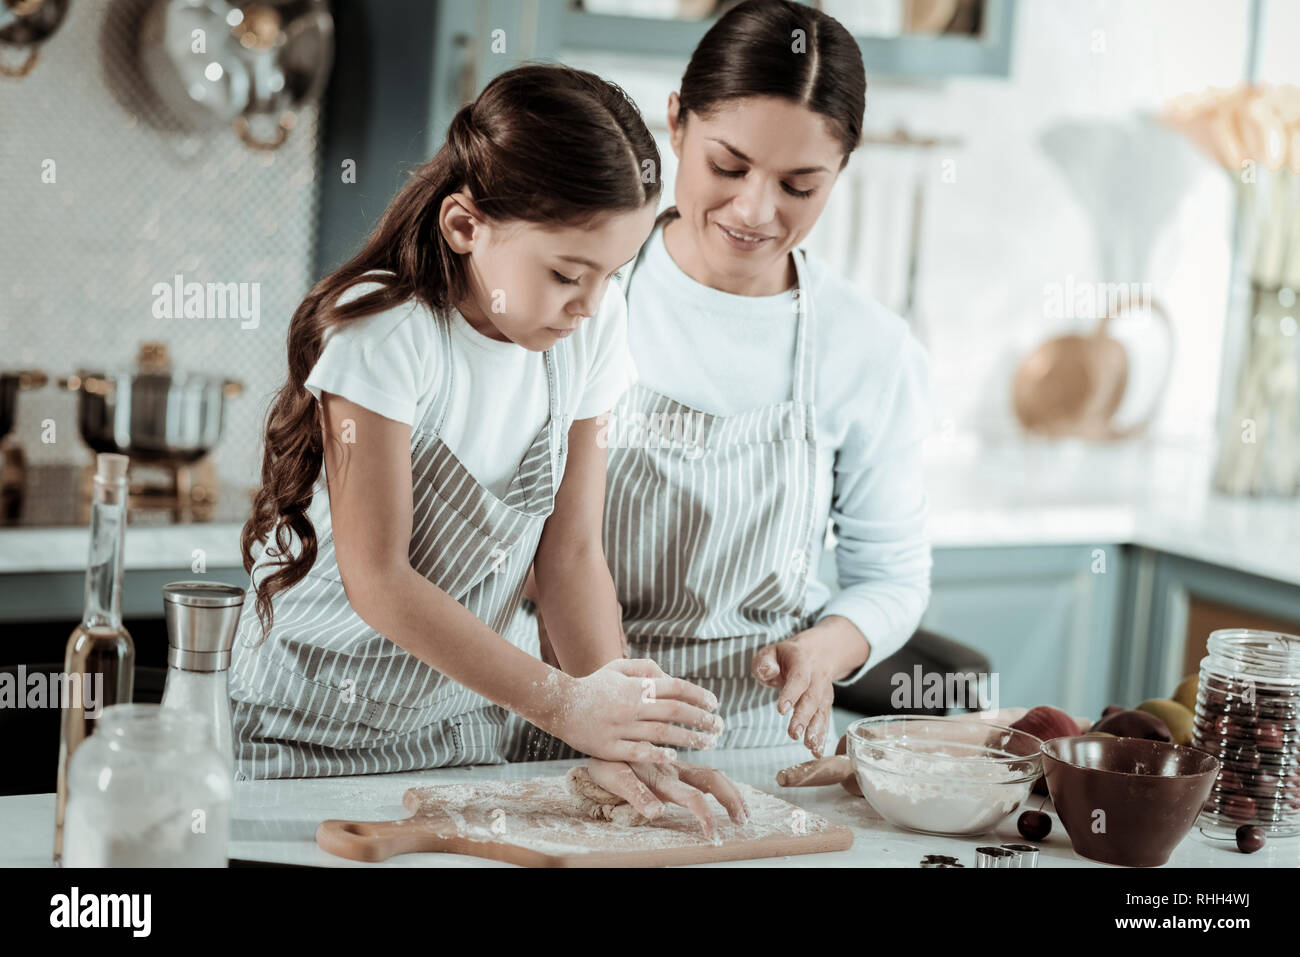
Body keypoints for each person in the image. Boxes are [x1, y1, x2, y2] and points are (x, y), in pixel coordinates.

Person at [227, 65, 729, 786]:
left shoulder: (586, 329)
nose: (589, 303)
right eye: (565, 273)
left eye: (612, 274)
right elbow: (379, 578)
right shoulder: (388, 332)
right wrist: (564, 705)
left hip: (458, 730)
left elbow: (572, 557)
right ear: (465, 225)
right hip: (299, 731)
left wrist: (628, 741)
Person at [506, 0, 934, 824]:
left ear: (841, 168)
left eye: (799, 185)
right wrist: (613, 718)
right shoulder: (579, 297)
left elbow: (893, 575)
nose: (754, 210)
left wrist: (825, 647)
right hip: (557, 728)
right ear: (675, 121)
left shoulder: (870, 348)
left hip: (753, 756)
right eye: (729, 166)